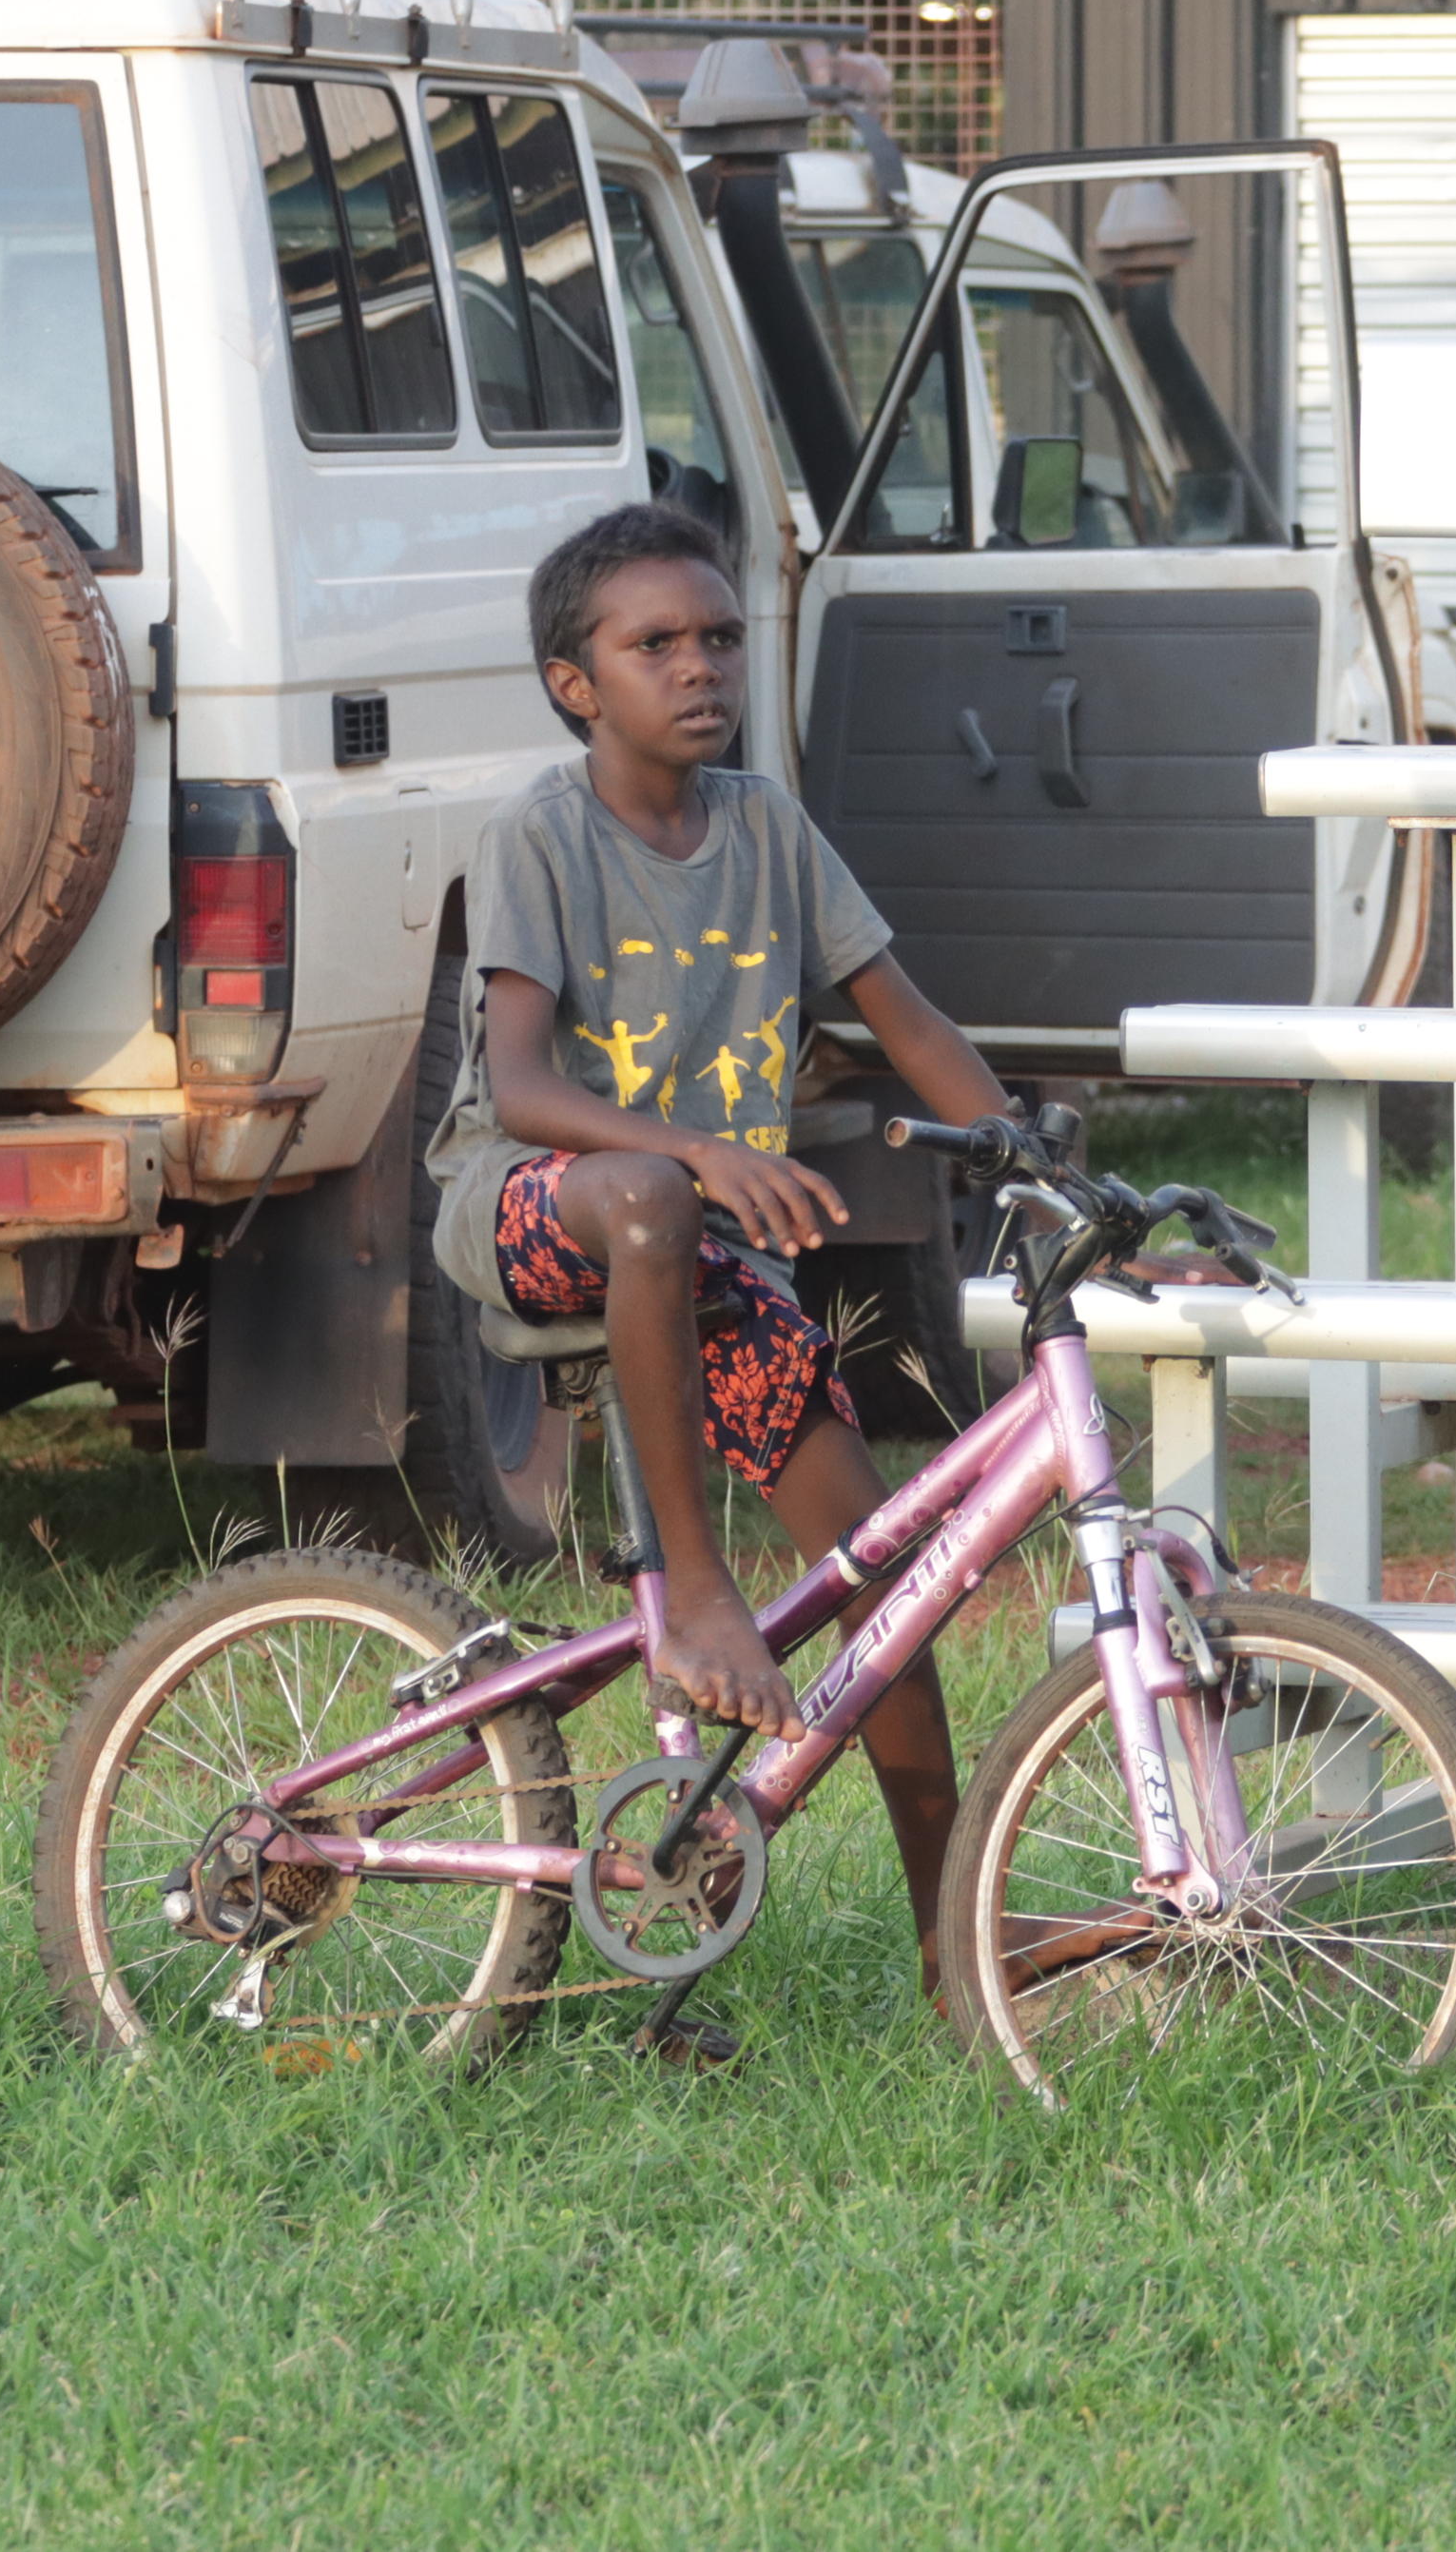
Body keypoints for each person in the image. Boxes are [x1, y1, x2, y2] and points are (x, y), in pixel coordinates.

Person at [425, 499, 1021, 2009]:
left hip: (683, 1243)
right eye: (655, 644)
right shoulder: (540, 833)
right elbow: (518, 1085)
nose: (699, 667)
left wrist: (1045, 1167)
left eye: (719, 638)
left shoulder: (765, 825)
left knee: (887, 1580)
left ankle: (955, 1955)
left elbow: (911, 1023)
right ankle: (695, 1590)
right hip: (535, 1205)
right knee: (643, 1196)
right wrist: (696, 1151)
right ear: (578, 681)